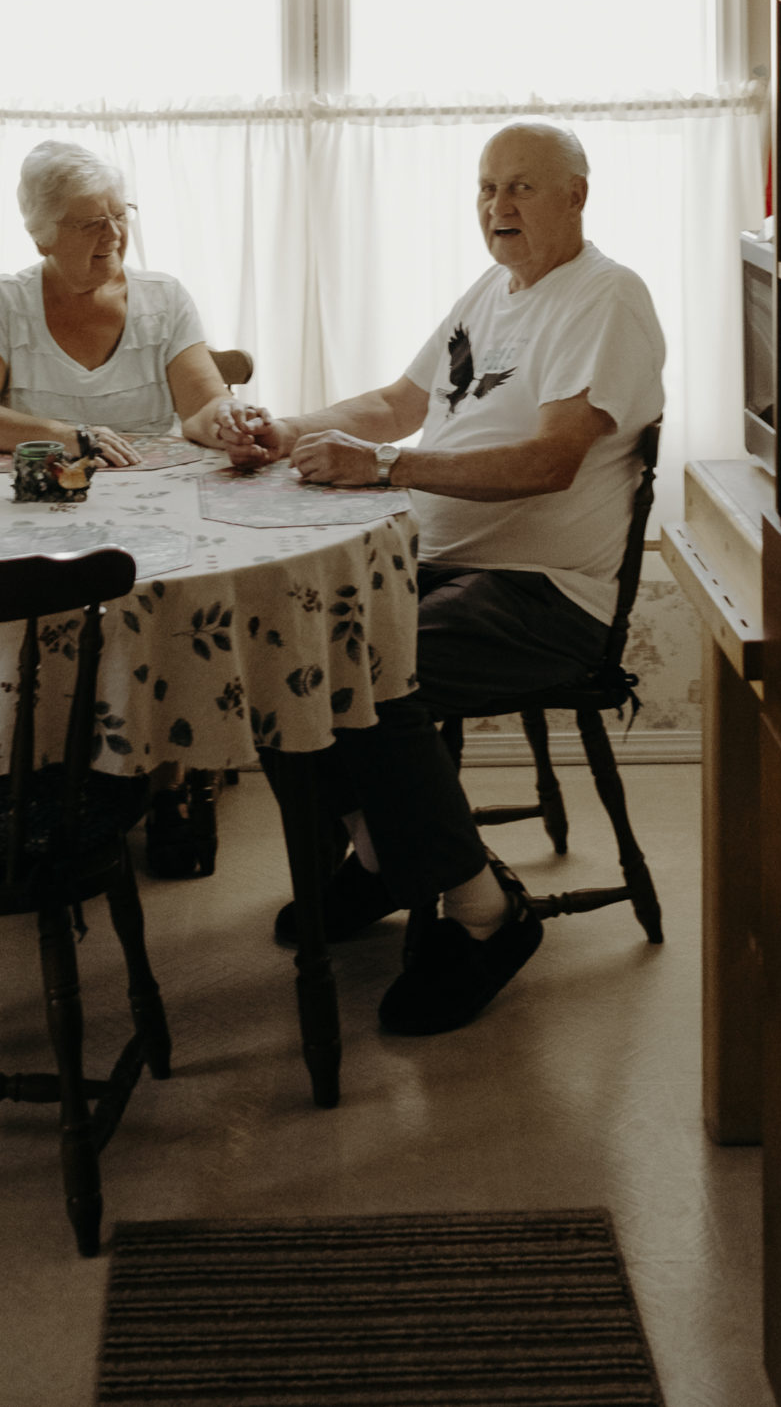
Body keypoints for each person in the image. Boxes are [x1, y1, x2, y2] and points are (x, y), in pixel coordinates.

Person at [244, 119, 666, 1037]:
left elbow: (554, 460)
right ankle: (379, 856)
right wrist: (290, 430)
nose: (498, 206)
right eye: (486, 188)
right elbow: (400, 404)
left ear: (575, 196)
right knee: (279, 650)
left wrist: (390, 471)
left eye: (519, 187)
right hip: (436, 565)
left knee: (367, 675)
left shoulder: (606, 299)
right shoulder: (493, 289)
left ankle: (486, 911)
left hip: (545, 593)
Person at [0, 138, 261, 873]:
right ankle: (53, 767)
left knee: (170, 608)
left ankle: (180, 781)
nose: (113, 235)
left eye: (120, 216)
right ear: (43, 234)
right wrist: (69, 436)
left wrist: (230, 422)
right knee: (21, 607)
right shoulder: (5, 298)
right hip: (43, 514)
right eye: (90, 223)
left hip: (149, 519)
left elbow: (203, 405)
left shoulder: (165, 298)